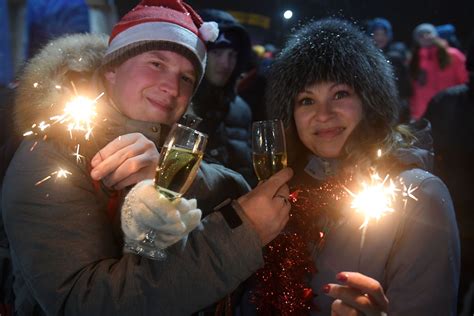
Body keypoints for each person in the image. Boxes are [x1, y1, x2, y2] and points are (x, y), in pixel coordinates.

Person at [1, 0, 292, 314]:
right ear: (111, 70)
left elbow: (232, 185)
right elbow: (85, 302)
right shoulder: (51, 157)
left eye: (186, 79)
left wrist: (171, 174)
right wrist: (240, 235)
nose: (171, 86)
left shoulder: (169, 144)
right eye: (157, 63)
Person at [238, 18, 460, 315]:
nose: (323, 114)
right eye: (306, 100)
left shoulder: (419, 195)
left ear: (369, 101)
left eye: (340, 94)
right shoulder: (286, 194)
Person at [424, 33, 474, 316]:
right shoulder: (446, 102)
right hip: (455, 206)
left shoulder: (445, 101)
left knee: (454, 285)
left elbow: (425, 150)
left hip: (452, 206)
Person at [187, 9, 256, 186]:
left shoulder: (241, 109)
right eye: (217, 53)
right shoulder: (181, 105)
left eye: (232, 55)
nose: (225, 64)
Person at [409, 23, 468, 120]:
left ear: (435, 35)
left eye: (428, 33)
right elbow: (413, 90)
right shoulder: (414, 59)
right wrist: (415, 113)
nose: (425, 36)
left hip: (451, 112)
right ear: (417, 40)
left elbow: (466, 81)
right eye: (421, 35)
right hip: (423, 115)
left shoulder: (453, 55)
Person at [367, 17, 412, 123]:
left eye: (383, 34)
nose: (380, 38)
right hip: (374, 106)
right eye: (376, 34)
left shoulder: (397, 55)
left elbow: (405, 84)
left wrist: (404, 102)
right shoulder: (366, 56)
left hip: (396, 105)